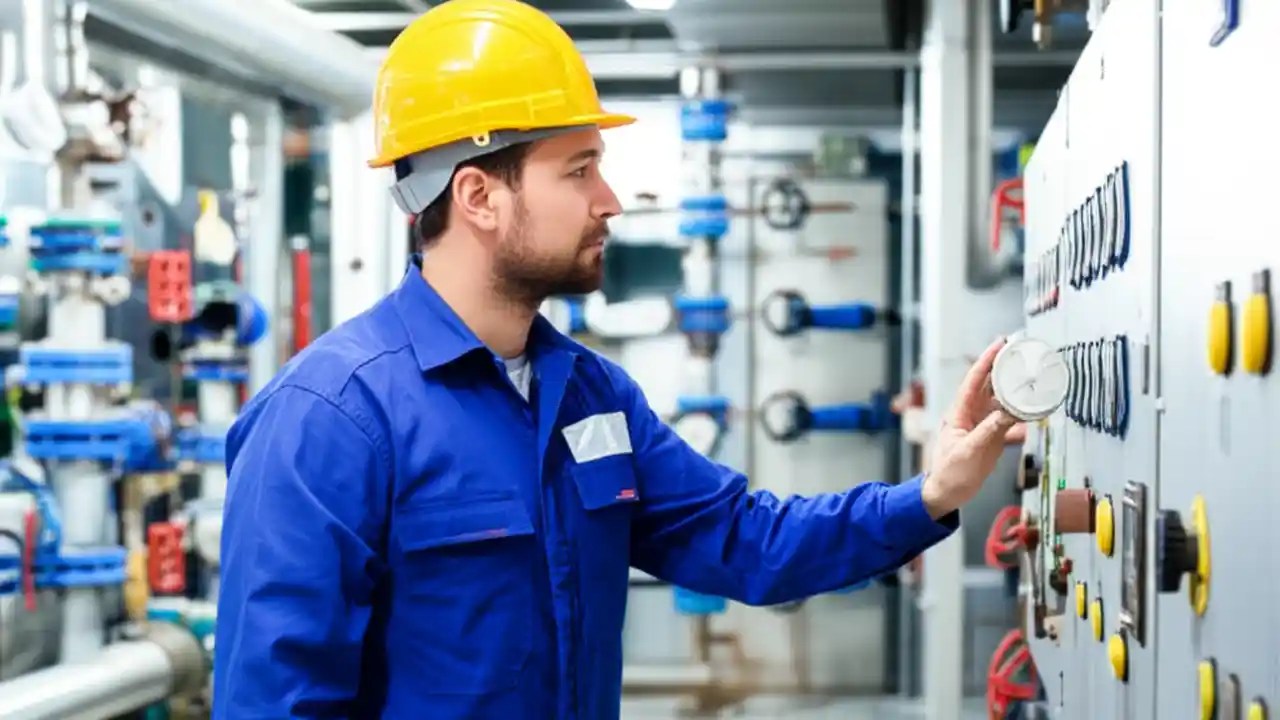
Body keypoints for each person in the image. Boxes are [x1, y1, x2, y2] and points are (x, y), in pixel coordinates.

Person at [211, 1, 1021, 718]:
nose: (609, 199)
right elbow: (274, 701)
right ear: (478, 197)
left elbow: (742, 541)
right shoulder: (331, 418)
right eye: (579, 169)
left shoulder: (588, 394)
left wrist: (930, 493)